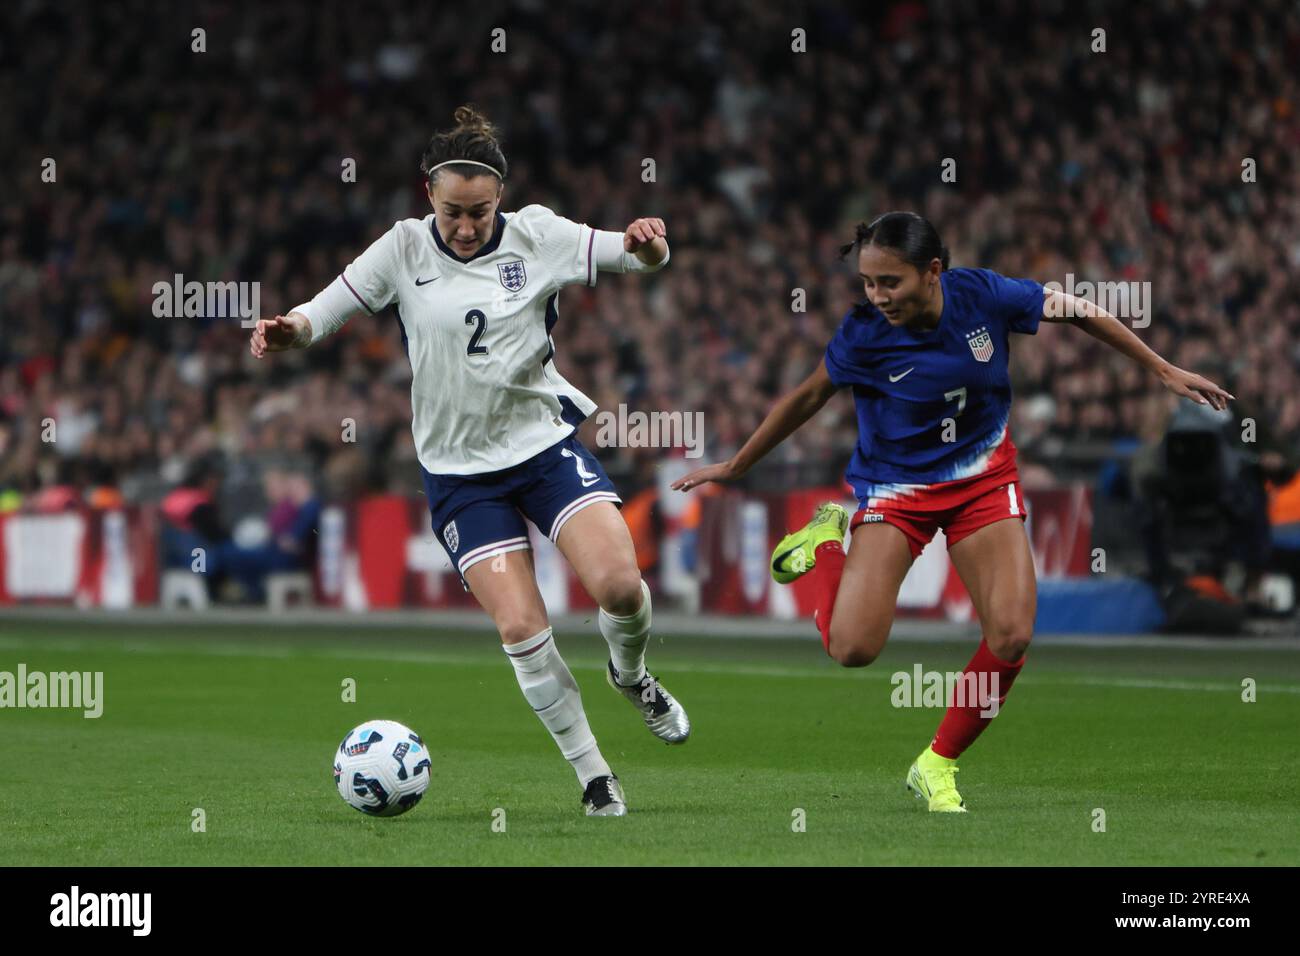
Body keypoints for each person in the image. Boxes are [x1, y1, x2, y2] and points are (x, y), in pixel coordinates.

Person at [673, 211, 1231, 812]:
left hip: (982, 480)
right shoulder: (864, 334)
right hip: (897, 490)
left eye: (890, 282)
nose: (877, 296)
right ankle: (828, 540)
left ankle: (936, 764)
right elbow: (809, 395)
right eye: (868, 282)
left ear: (933, 271)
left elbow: (1081, 310)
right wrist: (737, 466)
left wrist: (1162, 369)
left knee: (1012, 635)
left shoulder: (983, 294)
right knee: (851, 649)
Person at [250, 105, 689, 817]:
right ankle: (594, 776)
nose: (464, 226)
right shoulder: (401, 249)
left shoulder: (539, 236)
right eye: (453, 211)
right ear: (429, 195)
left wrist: (647, 243)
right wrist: (289, 330)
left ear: (500, 199)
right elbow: (322, 312)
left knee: (620, 587)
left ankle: (631, 675)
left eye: (479, 212)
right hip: (459, 473)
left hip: (543, 449)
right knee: (521, 627)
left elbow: (638, 256)